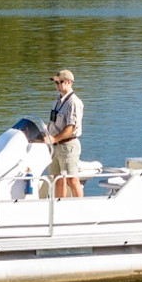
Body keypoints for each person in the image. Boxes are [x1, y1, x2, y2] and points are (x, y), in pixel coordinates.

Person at [40, 69, 85, 197]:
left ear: (69, 82)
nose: (57, 85)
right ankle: (60, 205)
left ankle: (80, 206)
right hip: (55, 146)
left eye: (60, 82)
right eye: (56, 82)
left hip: (68, 146)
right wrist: (46, 132)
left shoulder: (74, 102)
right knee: (58, 179)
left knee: (72, 179)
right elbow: (54, 121)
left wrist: (54, 139)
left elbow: (71, 128)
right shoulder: (58, 100)